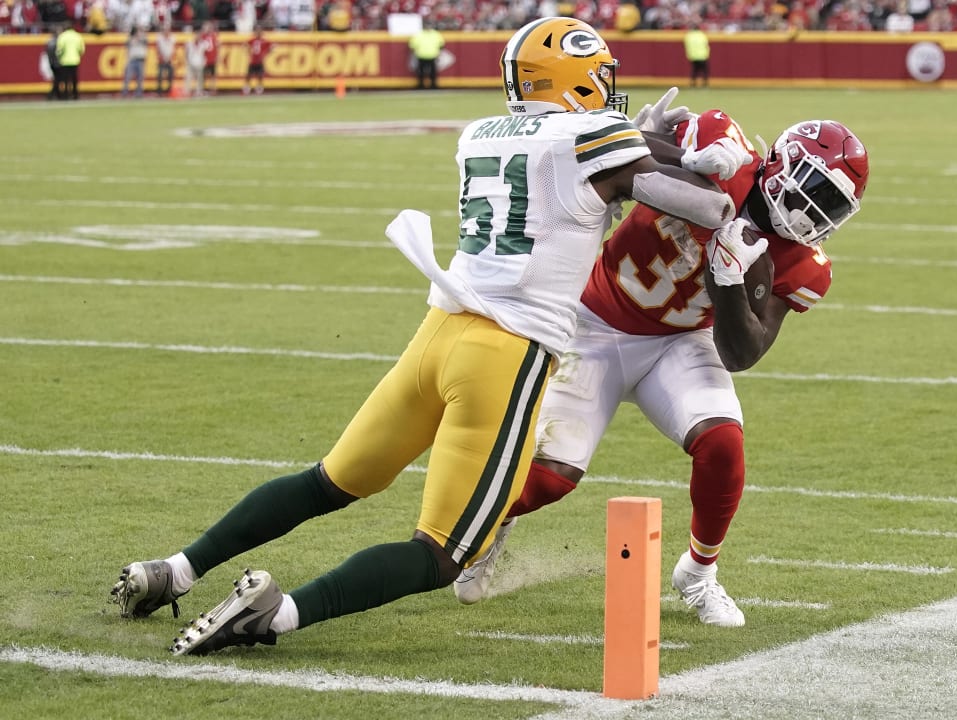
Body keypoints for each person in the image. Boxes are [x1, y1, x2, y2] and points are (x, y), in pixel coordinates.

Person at [109, 17, 735, 656]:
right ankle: (273, 616)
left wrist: (656, 147)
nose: (608, 91)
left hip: (437, 334)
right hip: (506, 354)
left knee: (329, 480)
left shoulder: (480, 131)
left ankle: (175, 570)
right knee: (441, 555)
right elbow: (707, 208)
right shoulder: (593, 133)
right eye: (599, 78)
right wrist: (701, 165)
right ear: (574, 81)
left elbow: (579, 158)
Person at [452, 91, 869, 628]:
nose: (818, 213)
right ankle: (490, 527)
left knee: (723, 443)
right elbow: (607, 154)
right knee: (552, 476)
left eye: (833, 205)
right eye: (816, 191)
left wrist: (728, 280)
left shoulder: (806, 266)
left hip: (679, 341)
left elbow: (742, 353)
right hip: (594, 322)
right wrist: (647, 139)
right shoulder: (724, 146)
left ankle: (697, 573)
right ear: (784, 165)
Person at [409, 22, 444, 89]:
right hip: (422, 55)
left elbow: (441, 45)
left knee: (432, 72)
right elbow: (413, 45)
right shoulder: (419, 34)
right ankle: (421, 85)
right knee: (421, 72)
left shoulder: (435, 34)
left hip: (432, 55)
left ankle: (433, 85)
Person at [55, 22, 85, 100]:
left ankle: (65, 95)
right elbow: (81, 49)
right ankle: (75, 95)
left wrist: (59, 57)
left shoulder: (62, 36)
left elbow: (59, 50)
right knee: (74, 79)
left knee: (65, 80)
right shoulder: (77, 36)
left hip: (64, 61)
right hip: (75, 60)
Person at [243, 26, 270, 95]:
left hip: (259, 60)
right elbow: (245, 44)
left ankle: (259, 89)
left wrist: (265, 54)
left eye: (259, 31)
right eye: (257, 31)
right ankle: (247, 88)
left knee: (260, 76)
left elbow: (271, 46)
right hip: (253, 60)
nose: (258, 33)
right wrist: (249, 52)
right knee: (249, 76)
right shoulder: (253, 40)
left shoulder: (264, 41)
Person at [122, 27, 148, 98]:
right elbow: (127, 45)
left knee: (140, 78)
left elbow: (145, 42)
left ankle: (139, 94)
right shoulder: (131, 39)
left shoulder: (143, 38)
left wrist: (140, 37)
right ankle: (124, 93)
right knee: (128, 77)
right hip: (132, 59)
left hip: (140, 60)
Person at [684, 23, 710, 87]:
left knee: (694, 71)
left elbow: (687, 46)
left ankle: (693, 84)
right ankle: (705, 84)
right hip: (703, 56)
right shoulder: (702, 35)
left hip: (693, 56)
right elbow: (706, 45)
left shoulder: (689, 35)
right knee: (705, 71)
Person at [198, 21, 219, 95]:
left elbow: (217, 47)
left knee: (212, 75)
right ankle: (202, 89)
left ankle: (213, 89)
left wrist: (217, 56)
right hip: (205, 58)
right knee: (203, 75)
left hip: (211, 58)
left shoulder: (213, 36)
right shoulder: (203, 36)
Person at [155, 25, 176, 95]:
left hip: (169, 59)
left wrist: (169, 58)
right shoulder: (159, 38)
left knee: (171, 75)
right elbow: (158, 49)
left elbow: (173, 50)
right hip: (162, 60)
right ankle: (159, 91)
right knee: (160, 75)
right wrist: (162, 58)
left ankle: (169, 90)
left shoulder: (172, 38)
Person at [44, 27, 61, 100]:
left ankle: (57, 94)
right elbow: (57, 53)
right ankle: (52, 94)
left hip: (52, 62)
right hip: (56, 63)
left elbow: (47, 53)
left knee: (56, 79)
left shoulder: (49, 41)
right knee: (58, 79)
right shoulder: (57, 42)